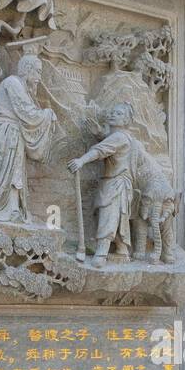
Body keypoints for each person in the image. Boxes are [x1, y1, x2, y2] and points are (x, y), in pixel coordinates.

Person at [0, 54, 56, 222]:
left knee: (15, 171)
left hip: (12, 132)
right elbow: (27, 112)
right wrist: (47, 114)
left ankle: (13, 208)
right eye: (38, 72)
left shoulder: (23, 87)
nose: (39, 78)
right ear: (28, 69)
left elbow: (29, 110)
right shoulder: (13, 82)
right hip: (3, 130)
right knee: (0, 169)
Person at [68, 103, 137, 266]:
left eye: (118, 113)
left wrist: (81, 161)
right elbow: (108, 143)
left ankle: (101, 254)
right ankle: (121, 251)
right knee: (118, 216)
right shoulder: (122, 136)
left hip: (115, 183)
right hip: (119, 182)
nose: (113, 115)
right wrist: (100, 133)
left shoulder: (119, 137)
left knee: (109, 214)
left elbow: (101, 150)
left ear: (127, 120)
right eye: (112, 112)